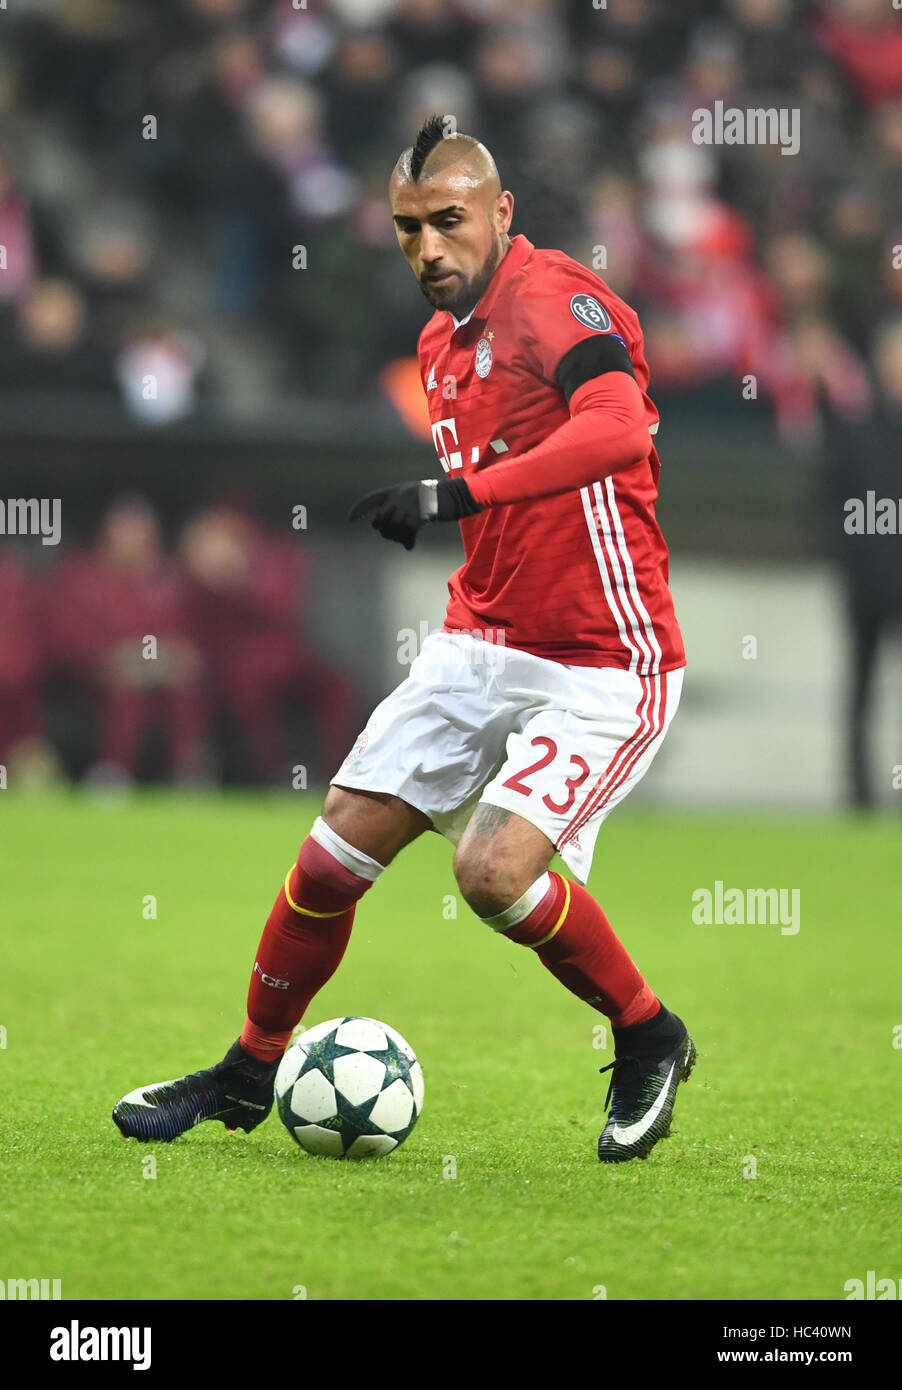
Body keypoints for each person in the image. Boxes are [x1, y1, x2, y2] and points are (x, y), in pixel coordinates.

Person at [114, 117, 694, 1163]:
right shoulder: (436, 345)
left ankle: (648, 1030)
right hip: (480, 640)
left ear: (500, 214)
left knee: (490, 872)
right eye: (406, 228)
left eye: (448, 221)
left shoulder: (556, 297)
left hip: (606, 659)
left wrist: (456, 491)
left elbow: (616, 429)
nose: (427, 247)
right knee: (331, 854)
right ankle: (248, 1068)